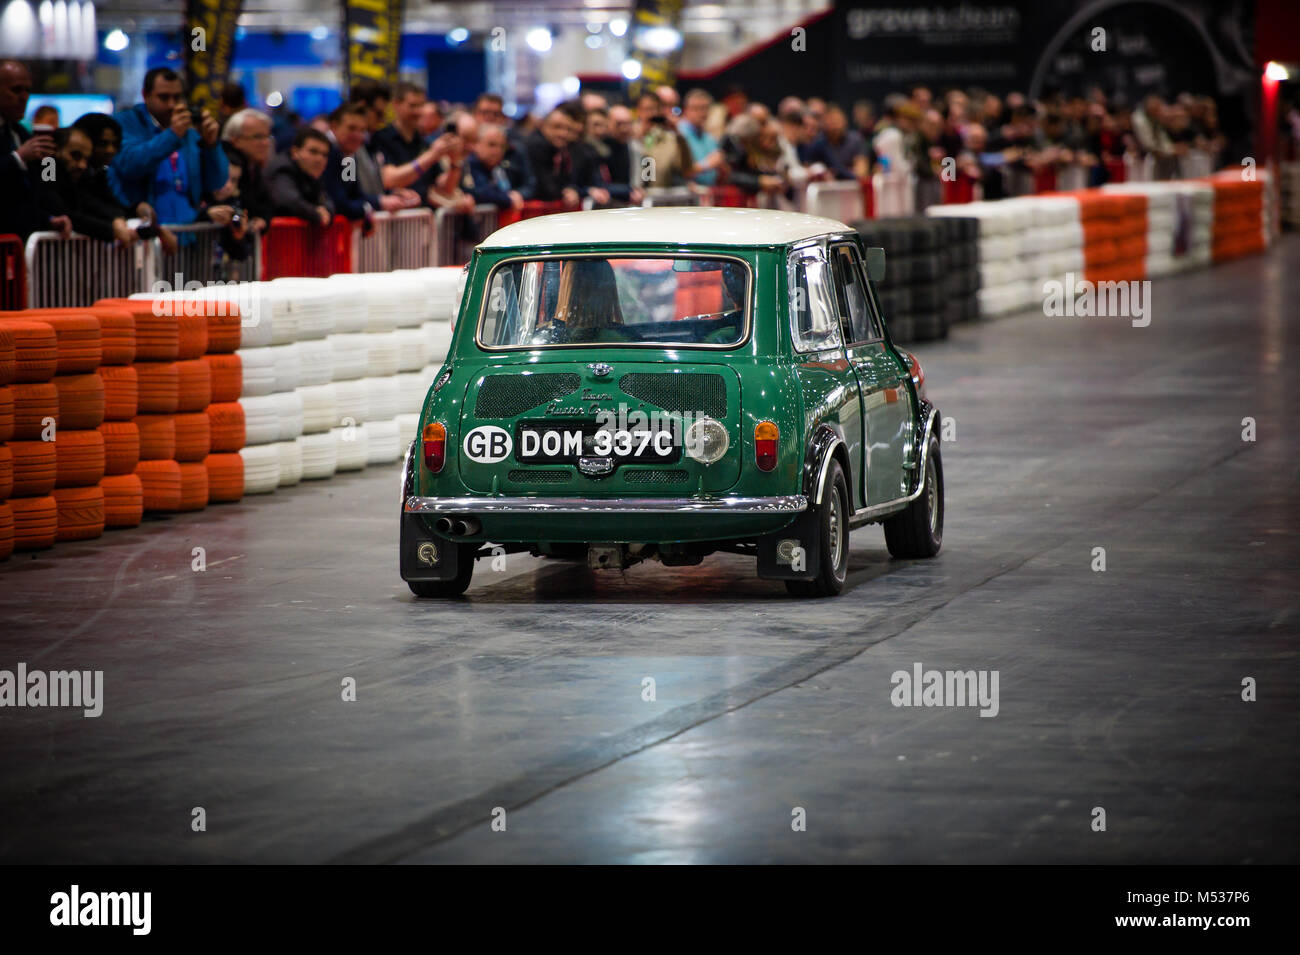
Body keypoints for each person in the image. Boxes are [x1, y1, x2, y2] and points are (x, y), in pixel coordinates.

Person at [111, 67, 229, 226]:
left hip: (187, 237)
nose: (171, 105)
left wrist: (211, 146)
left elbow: (216, 182)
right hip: (144, 235)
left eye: (178, 97)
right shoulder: (126, 123)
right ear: (146, 95)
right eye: (164, 97)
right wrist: (172, 135)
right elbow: (130, 164)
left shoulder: (191, 134)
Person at [0, 59, 71, 239]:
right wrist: (18, 158)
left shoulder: (21, 133)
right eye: (16, 90)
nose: (24, 97)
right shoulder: (22, 141)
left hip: (22, 241)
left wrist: (50, 161)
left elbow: (46, 184)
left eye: (27, 90)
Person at [323, 102, 418, 221]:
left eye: (362, 130)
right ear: (334, 126)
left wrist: (382, 199)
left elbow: (353, 194)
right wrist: (369, 209)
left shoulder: (348, 158)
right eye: (351, 128)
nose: (357, 136)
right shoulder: (325, 154)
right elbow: (339, 203)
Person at [371, 81, 458, 196]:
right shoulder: (381, 138)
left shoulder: (424, 143)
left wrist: (455, 161)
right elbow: (389, 179)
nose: (418, 111)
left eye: (421, 105)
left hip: (424, 211)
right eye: (412, 106)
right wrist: (432, 155)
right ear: (396, 105)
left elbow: (445, 189)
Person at [265, 127, 334, 225]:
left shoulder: (311, 174)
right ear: (295, 152)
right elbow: (289, 201)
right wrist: (316, 214)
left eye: (324, 155)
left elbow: (326, 200)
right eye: (313, 152)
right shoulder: (283, 168)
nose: (320, 159)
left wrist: (326, 211)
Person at [220, 108, 273, 229]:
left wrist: (263, 220)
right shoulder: (226, 165)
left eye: (268, 137)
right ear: (235, 139)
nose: (266, 143)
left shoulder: (254, 167)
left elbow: (267, 204)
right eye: (258, 137)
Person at [473, 92, 533, 196]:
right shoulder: (466, 149)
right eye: (485, 112)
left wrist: (516, 195)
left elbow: (530, 184)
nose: (490, 117)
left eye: (496, 114)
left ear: (503, 118)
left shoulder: (515, 148)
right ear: (475, 114)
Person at [524, 104, 583, 207]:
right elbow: (546, 189)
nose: (563, 133)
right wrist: (565, 193)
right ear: (543, 125)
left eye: (568, 129)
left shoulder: (560, 148)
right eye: (557, 127)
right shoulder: (536, 146)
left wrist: (570, 189)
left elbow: (567, 180)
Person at [463, 124, 525, 212]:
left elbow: (505, 190)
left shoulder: (498, 169)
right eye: (491, 145)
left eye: (502, 146)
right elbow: (481, 193)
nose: (497, 151)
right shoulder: (469, 164)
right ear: (476, 144)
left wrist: (512, 195)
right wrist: (509, 199)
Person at [678, 89, 725, 187]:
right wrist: (707, 164)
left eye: (705, 108)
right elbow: (680, 171)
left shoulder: (710, 138)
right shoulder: (678, 134)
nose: (701, 113)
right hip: (685, 194)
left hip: (708, 193)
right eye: (696, 108)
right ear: (686, 109)